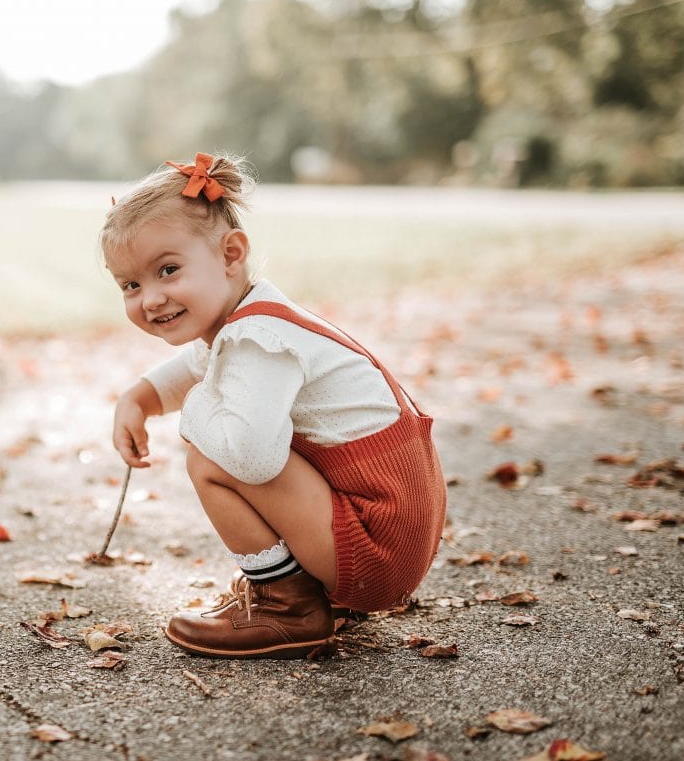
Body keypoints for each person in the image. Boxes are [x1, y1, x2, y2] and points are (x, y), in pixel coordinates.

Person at [101, 152, 447, 659]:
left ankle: (287, 604)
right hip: (385, 531)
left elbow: (251, 459)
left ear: (230, 254)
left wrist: (199, 407)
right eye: (131, 284)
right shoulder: (252, 318)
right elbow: (200, 365)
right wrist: (140, 397)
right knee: (228, 435)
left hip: (376, 546)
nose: (150, 299)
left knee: (213, 456)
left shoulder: (257, 339)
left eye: (168, 270)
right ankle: (305, 587)